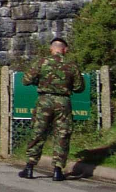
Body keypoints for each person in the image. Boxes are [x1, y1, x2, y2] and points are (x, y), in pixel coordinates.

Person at [18, 37, 85, 182]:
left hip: (44, 101)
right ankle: (58, 170)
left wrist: (39, 81)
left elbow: (25, 80)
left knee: (38, 132)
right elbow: (80, 88)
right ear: (65, 50)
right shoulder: (71, 65)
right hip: (63, 102)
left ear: (51, 48)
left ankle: (29, 167)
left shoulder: (42, 62)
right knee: (62, 134)